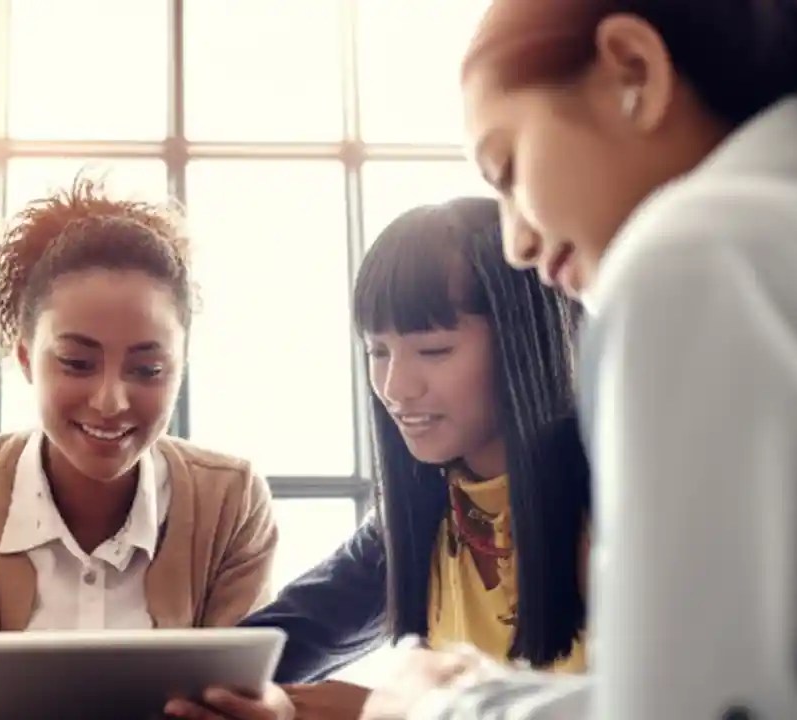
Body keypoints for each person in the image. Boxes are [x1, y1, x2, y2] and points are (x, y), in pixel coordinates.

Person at [364, 0, 797, 718]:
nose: (516, 241)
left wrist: (436, 709)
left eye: (508, 168)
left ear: (633, 71)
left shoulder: (695, 253)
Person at [163, 197, 590, 720]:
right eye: (378, 351)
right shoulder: (422, 511)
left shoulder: (615, 503)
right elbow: (280, 640)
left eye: (433, 351)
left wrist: (395, 712)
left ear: (524, 340)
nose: (395, 388)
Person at [0, 178, 278, 660]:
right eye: (77, 363)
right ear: (25, 357)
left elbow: (236, 700)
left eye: (147, 370)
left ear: (181, 368)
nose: (111, 401)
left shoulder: (230, 500)